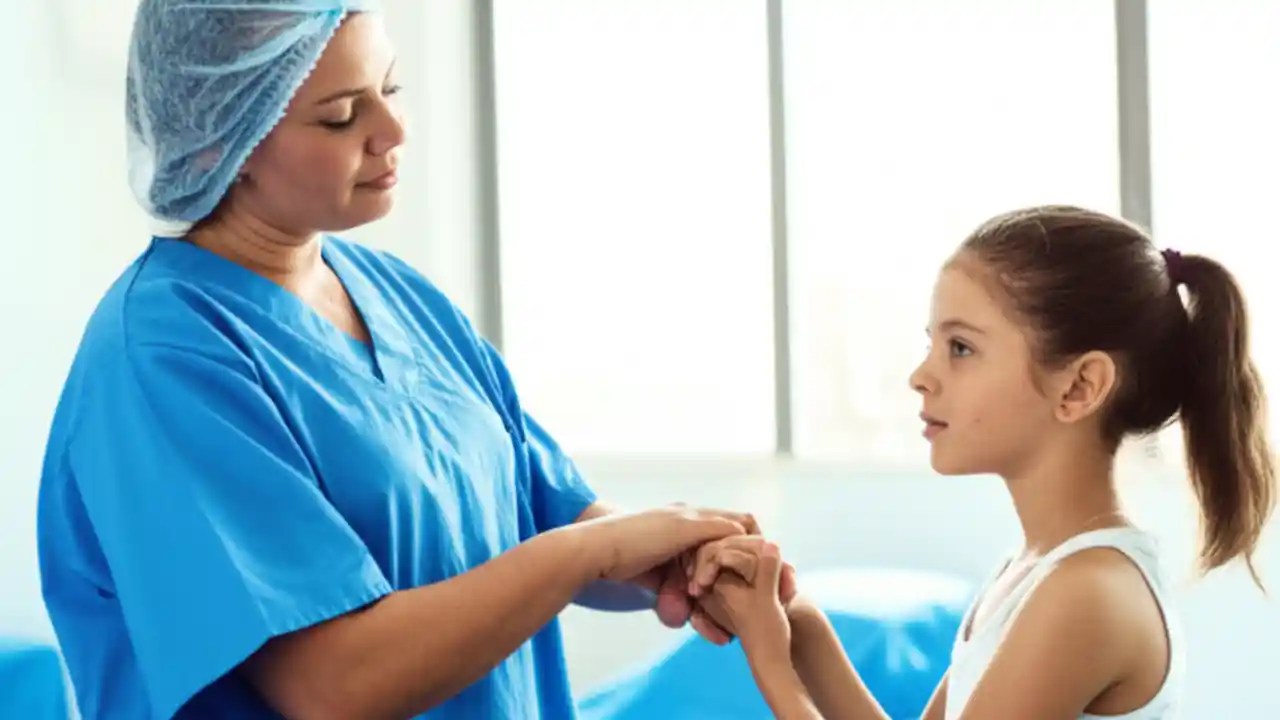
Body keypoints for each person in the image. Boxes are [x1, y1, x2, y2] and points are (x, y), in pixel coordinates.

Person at [35, 2, 791, 718]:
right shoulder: (163, 359)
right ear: (216, 140)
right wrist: (587, 553)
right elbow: (334, 687)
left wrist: (681, 557)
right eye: (340, 116)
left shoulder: (402, 301)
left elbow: (541, 517)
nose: (392, 129)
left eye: (390, 86)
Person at [685, 205, 1276, 719]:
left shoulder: (1088, 593)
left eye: (961, 348)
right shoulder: (1033, 570)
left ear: (1079, 387)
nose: (922, 376)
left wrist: (771, 665)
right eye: (932, 344)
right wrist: (798, 625)